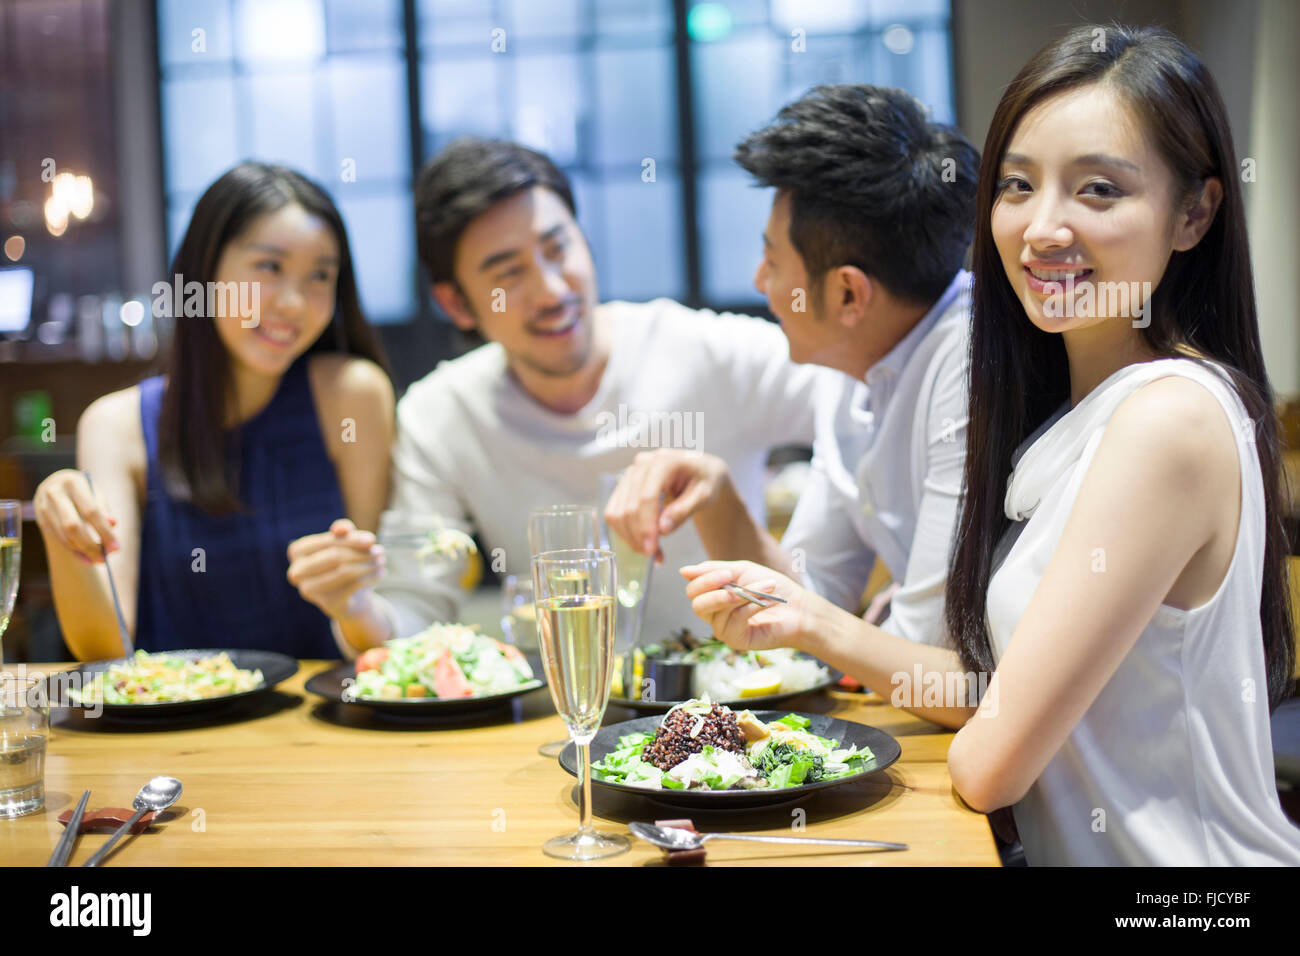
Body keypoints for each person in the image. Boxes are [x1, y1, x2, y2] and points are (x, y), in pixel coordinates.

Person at [682, 25, 1300, 865]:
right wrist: (811, 619)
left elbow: (988, 761)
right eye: (1018, 185)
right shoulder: (1071, 411)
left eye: (1098, 190)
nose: (1043, 228)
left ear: (1194, 212)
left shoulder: (1169, 420)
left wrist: (829, 630)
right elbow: (985, 691)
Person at [287, 137, 828, 652]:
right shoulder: (440, 414)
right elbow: (417, 609)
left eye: (557, 247)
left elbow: (865, 404)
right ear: (456, 304)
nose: (552, 290)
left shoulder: (705, 349)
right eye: (509, 273)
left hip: (752, 696)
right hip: (573, 716)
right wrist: (355, 607)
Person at [604, 84, 979, 652]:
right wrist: (718, 495)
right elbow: (812, 596)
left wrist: (877, 628)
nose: (760, 282)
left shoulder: (971, 366)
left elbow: (936, 655)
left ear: (849, 294)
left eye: (773, 260)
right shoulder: (850, 365)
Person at [34, 162, 394, 660]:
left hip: (324, 717)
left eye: (320, 276)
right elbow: (105, 649)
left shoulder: (353, 397)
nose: (293, 303)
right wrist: (62, 534)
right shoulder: (116, 425)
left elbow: (377, 614)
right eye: (269, 267)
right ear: (204, 271)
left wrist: (354, 600)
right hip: (179, 724)